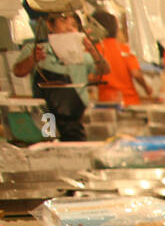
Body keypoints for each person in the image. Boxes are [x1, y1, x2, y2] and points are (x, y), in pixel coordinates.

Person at [13, 12, 110, 142]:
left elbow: (105, 70)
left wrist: (93, 50)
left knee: (75, 154)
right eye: (64, 22)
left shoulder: (84, 56)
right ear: (50, 26)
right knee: (48, 149)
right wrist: (32, 59)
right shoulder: (36, 49)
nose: (70, 28)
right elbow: (18, 72)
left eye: (74, 25)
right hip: (46, 117)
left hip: (74, 119)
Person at [92, 11, 154, 106]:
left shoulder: (94, 51)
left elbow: (92, 78)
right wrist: (146, 87)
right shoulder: (126, 49)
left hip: (107, 103)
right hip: (131, 102)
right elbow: (136, 74)